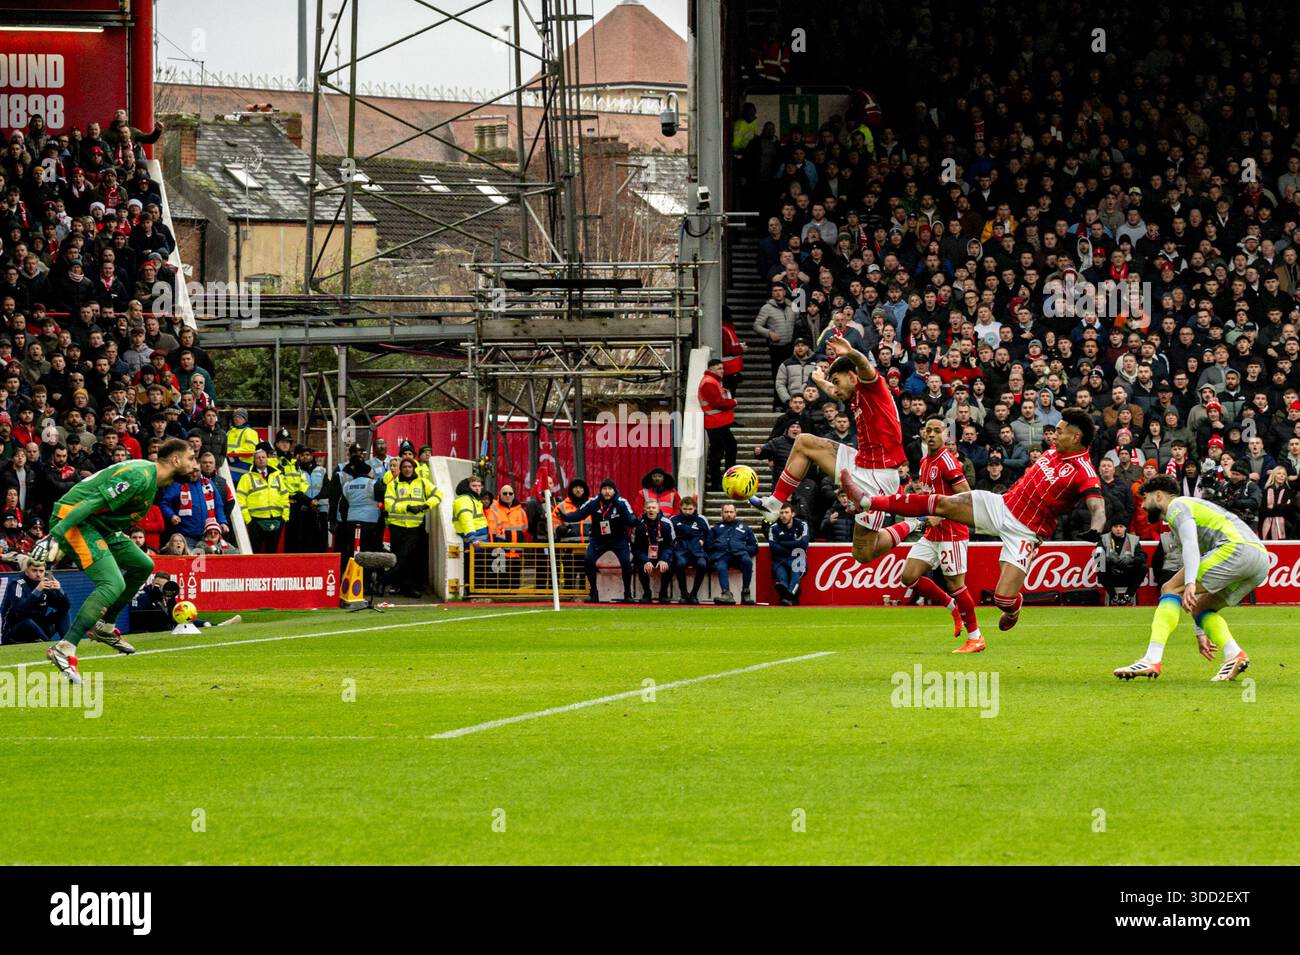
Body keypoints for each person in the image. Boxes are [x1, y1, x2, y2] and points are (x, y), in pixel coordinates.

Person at [852, 408, 1106, 633]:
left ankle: (1013, 608)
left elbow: (1097, 504)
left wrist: (1096, 528)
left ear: (1076, 438)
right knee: (943, 503)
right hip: (1001, 505)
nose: (1053, 436)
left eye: (1060, 432)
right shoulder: (1053, 451)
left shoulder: (1084, 471)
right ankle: (869, 501)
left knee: (1002, 599)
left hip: (1025, 532)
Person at [34, 437, 195, 683]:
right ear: (175, 459)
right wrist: (54, 536)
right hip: (75, 519)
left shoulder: (151, 479)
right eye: (191, 459)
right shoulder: (140, 476)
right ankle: (64, 648)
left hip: (99, 526)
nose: (195, 465)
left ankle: (105, 626)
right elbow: (90, 502)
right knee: (113, 583)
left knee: (144, 565)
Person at [752, 336, 915, 567]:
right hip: (861, 461)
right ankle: (775, 504)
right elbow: (836, 390)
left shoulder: (873, 386)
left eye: (838, 381)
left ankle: (915, 523)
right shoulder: (854, 394)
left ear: (851, 376)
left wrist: (851, 353)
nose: (835, 389)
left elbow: (864, 367)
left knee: (863, 553)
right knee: (804, 442)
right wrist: (820, 380)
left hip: (880, 476)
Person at [1114, 475, 1265, 682]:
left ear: (1158, 496)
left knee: (1169, 589)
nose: (1142, 506)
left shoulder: (1177, 506)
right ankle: (1234, 654)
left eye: (1145, 499)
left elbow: (1192, 548)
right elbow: (1198, 556)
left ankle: (1152, 658)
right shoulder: (1187, 509)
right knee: (1201, 608)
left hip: (1235, 550)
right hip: (1259, 560)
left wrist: (1190, 583)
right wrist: (1199, 630)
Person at [901, 418, 983, 652]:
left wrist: (944, 515)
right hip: (933, 533)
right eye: (928, 430)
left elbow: (967, 498)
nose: (932, 434)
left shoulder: (947, 461)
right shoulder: (925, 461)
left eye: (938, 431)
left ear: (946, 435)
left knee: (956, 585)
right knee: (908, 576)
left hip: (952, 532)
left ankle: (976, 637)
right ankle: (952, 608)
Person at [557, 478, 634, 603]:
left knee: (626, 562)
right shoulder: (593, 502)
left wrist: (635, 521)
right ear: (600, 491)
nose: (607, 492)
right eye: (604, 489)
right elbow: (579, 514)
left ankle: (628, 594)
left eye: (610, 489)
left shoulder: (621, 502)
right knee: (588, 560)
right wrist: (565, 517)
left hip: (619, 539)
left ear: (614, 491)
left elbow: (630, 517)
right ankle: (593, 592)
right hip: (598, 539)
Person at [385, 457, 443, 597]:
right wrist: (408, 508)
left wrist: (425, 505)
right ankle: (402, 586)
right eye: (404, 467)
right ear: (401, 469)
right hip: (397, 526)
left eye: (409, 467)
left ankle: (387, 580)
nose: (407, 469)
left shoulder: (423, 482)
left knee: (408, 557)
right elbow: (389, 504)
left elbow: (438, 495)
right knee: (399, 557)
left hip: (414, 527)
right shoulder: (394, 484)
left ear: (414, 468)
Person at [0, 553, 69, 644]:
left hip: (38, 628)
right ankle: (49, 644)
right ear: (26, 570)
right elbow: (21, 610)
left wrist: (60, 591)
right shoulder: (17, 584)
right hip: (14, 632)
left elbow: (64, 607)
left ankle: (67, 644)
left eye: (41, 571)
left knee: (63, 614)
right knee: (27, 622)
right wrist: (37, 591)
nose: (38, 574)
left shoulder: (45, 584)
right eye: (34, 570)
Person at [235, 446, 289, 554]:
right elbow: (240, 499)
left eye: (263, 457)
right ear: (254, 461)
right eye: (258, 457)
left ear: (267, 459)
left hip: (276, 518)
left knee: (272, 551)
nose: (261, 459)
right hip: (256, 520)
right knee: (256, 551)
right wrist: (248, 519)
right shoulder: (246, 478)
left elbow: (284, 495)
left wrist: (285, 516)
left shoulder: (277, 476)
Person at [337, 458, 383, 576]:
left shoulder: (347, 485)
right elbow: (383, 500)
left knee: (354, 550)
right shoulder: (374, 484)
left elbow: (343, 506)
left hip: (351, 522)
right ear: (368, 472)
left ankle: (354, 578)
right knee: (368, 552)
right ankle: (366, 581)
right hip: (370, 522)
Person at [707, 501, 758, 604]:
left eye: (731, 512)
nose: (729, 514)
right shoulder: (715, 529)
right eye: (726, 512)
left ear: (735, 513)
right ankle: (726, 594)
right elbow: (708, 545)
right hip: (722, 556)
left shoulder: (745, 528)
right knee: (721, 566)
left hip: (740, 556)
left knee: (747, 561)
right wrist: (716, 552)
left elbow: (754, 546)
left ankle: (746, 593)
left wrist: (743, 549)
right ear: (721, 514)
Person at [699, 357, 737, 491]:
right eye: (719, 368)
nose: (722, 371)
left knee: (727, 448)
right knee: (720, 452)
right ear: (711, 369)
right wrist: (733, 403)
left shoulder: (711, 381)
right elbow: (718, 403)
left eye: (722, 368)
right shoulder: (709, 382)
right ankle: (718, 482)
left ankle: (723, 479)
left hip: (717, 422)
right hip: (715, 422)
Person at [484, 483, 528, 594]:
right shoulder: (493, 508)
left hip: (515, 553)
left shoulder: (521, 511)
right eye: (505, 493)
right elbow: (492, 529)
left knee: (514, 583)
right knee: (499, 582)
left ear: (514, 495)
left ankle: (512, 602)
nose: (507, 495)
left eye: (510, 493)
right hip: (499, 552)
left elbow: (524, 530)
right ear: (500, 494)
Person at [631, 498, 675, 603]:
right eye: (648, 508)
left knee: (670, 564)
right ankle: (647, 593)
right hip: (645, 555)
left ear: (658, 509)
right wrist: (646, 560)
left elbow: (670, 545)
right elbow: (636, 548)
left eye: (653, 508)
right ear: (644, 509)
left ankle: (663, 593)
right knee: (641, 565)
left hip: (661, 554)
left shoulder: (666, 523)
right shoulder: (639, 525)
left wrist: (664, 559)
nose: (651, 510)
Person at [669, 495, 710, 604]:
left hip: (697, 551)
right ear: (680, 508)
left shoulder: (701, 519)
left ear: (695, 508)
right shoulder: (673, 519)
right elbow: (669, 535)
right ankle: (684, 594)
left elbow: (708, 535)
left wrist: (703, 540)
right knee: (680, 565)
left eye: (690, 509)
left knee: (702, 565)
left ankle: (694, 594)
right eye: (685, 509)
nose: (687, 511)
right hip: (681, 551)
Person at [1097, 520, 1148, 606]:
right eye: (1115, 527)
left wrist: (1131, 560)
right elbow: (1097, 556)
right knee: (1100, 566)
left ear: (1125, 528)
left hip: (1128, 573)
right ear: (1111, 528)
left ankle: (1128, 596)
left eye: (1121, 527)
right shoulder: (1103, 539)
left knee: (1143, 567)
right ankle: (1113, 597)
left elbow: (1143, 557)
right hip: (1111, 575)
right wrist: (1108, 559)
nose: (1118, 529)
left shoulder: (1133, 539)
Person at [767, 502, 809, 605]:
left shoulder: (802, 524)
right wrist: (795, 543)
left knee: (795, 572)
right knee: (782, 578)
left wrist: (782, 543)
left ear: (792, 514)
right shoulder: (774, 528)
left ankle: (789, 595)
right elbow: (773, 546)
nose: (784, 515)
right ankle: (790, 597)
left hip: (798, 557)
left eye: (786, 512)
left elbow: (803, 544)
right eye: (781, 513)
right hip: (779, 559)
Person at [452, 475, 489, 590]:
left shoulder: (473, 499)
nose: (478, 488)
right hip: (473, 542)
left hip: (478, 542)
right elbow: (466, 519)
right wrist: (472, 537)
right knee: (474, 570)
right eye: (474, 486)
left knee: (478, 569)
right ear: (467, 487)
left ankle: (476, 590)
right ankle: (474, 591)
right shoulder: (465, 500)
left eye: (479, 486)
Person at [224, 408, 258, 480]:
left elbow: (250, 449)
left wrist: (234, 455)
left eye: (239, 417)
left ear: (245, 419)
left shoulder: (250, 432)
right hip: (229, 465)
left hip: (243, 466)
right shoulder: (230, 432)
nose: (236, 419)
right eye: (235, 417)